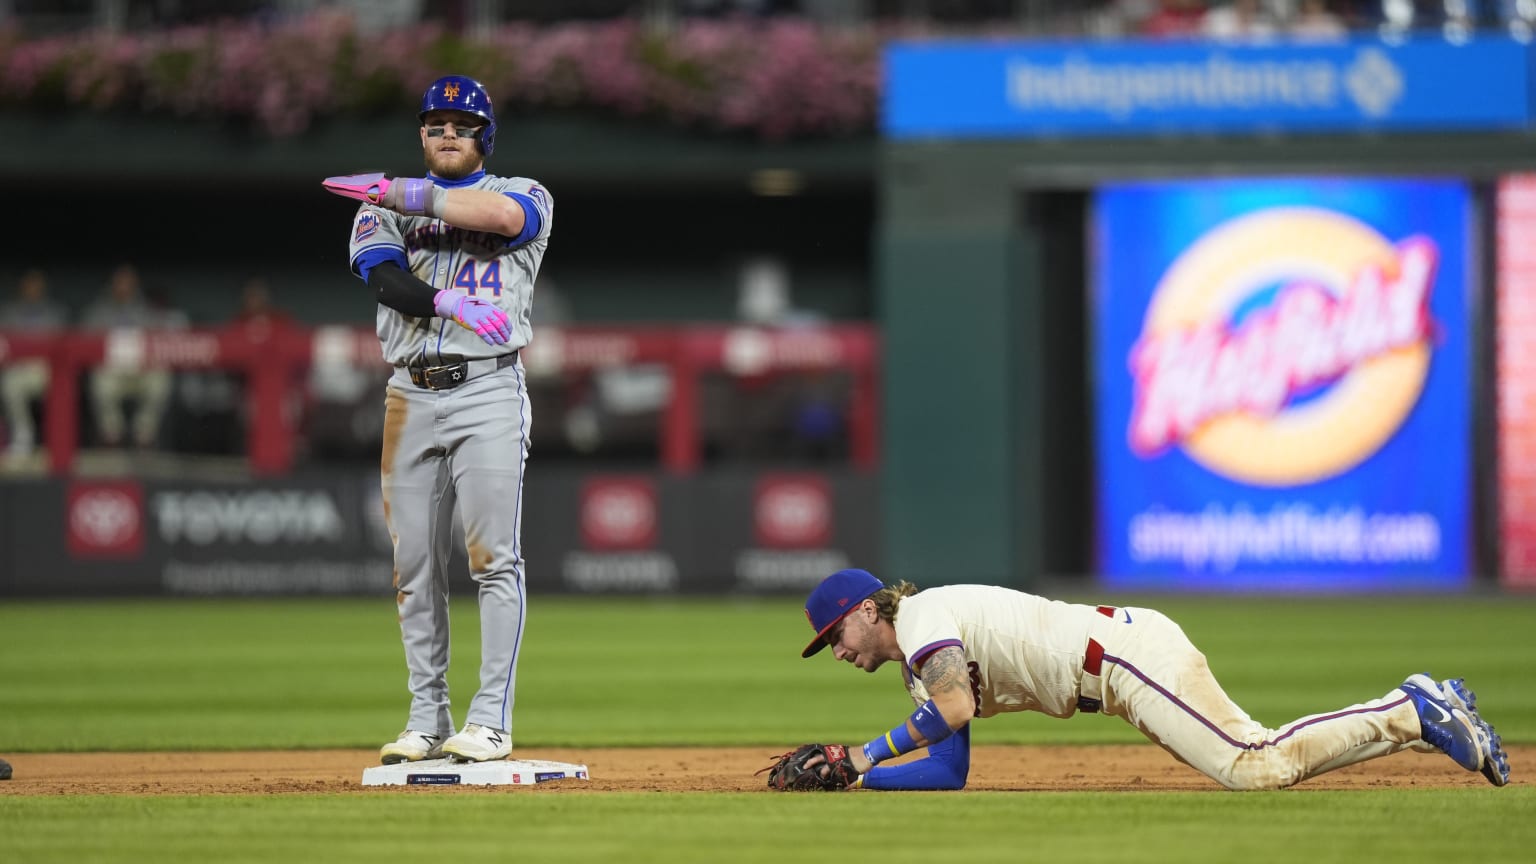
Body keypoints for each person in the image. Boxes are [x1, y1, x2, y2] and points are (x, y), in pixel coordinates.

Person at [784, 568, 1511, 791]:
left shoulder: (919, 620)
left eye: (834, 635)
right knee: (1256, 759)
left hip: (1125, 661)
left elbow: (955, 702)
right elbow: (947, 768)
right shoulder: (918, 664)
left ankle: (1412, 709)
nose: (837, 651)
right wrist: (857, 780)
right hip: (1120, 664)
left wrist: (865, 754)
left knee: (1251, 766)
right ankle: (1422, 720)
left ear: (865, 610)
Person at [322, 74, 553, 765]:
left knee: (492, 560)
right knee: (414, 566)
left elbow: (503, 222)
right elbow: (385, 279)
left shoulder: (525, 189)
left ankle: (490, 720)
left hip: (488, 387)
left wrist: (396, 189)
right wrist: (446, 303)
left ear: (485, 135)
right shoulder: (381, 212)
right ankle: (427, 717)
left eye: (461, 122)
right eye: (435, 123)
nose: (447, 133)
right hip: (409, 393)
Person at [80, 262, 180, 449]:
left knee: (161, 377)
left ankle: (144, 432)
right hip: (111, 370)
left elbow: (158, 340)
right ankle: (112, 433)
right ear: (112, 284)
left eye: (128, 282)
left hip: (140, 369)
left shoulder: (148, 311)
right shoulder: (97, 312)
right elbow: (85, 344)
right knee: (99, 380)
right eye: (120, 282)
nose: (124, 287)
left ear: (135, 285)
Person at [0, 268, 68, 457]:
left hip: (46, 368)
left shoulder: (56, 314)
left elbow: (65, 347)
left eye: (36, 286)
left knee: (61, 383)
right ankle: (23, 434)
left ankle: (57, 440)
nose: (33, 290)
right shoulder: (7, 314)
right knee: (10, 383)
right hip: (19, 367)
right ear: (22, 288)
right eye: (29, 285)